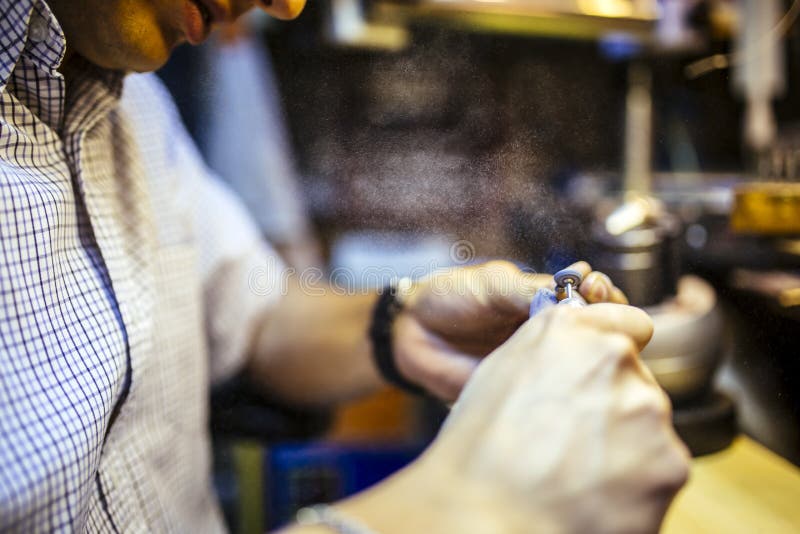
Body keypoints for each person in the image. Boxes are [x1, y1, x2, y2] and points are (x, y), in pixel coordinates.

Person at [0, 0, 689, 532]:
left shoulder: (137, 107)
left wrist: (402, 322)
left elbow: (256, 315)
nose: (290, 5)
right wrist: (473, 503)